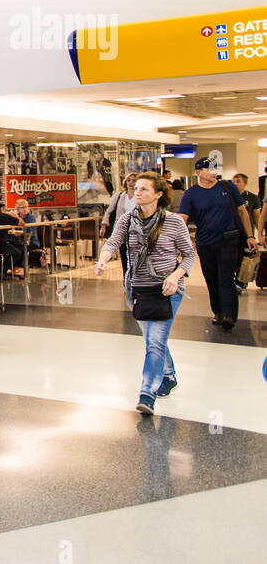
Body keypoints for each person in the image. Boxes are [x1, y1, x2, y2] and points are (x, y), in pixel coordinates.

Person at [95, 173, 195, 414]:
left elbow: (189, 255)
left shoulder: (174, 222)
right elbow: (113, 242)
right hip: (138, 289)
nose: (137, 192)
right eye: (136, 188)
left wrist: (175, 276)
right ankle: (168, 374)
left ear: (158, 194)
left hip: (167, 290)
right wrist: (103, 259)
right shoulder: (128, 219)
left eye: (144, 189)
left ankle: (147, 394)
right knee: (153, 339)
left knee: (155, 341)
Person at [177, 157, 257, 330]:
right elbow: (182, 219)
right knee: (211, 278)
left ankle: (229, 315)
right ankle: (218, 312)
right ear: (198, 173)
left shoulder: (227, 188)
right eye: (209, 168)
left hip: (229, 240)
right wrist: (181, 243)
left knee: (225, 277)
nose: (214, 171)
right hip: (205, 243)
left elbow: (242, 212)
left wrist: (250, 236)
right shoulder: (191, 194)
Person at [102, 173, 139, 276]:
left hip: (136, 231)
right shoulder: (120, 196)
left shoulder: (139, 196)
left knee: (135, 257)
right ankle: (126, 278)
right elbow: (109, 211)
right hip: (122, 229)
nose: (131, 183)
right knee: (124, 256)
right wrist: (104, 225)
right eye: (129, 180)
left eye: (134, 180)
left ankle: (134, 278)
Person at [232, 173, 261, 291]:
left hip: (246, 234)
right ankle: (232, 280)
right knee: (232, 258)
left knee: (244, 258)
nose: (235, 184)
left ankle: (241, 282)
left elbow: (256, 216)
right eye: (233, 181)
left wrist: (260, 233)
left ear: (245, 183)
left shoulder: (252, 198)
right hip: (231, 233)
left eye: (238, 181)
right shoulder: (228, 197)